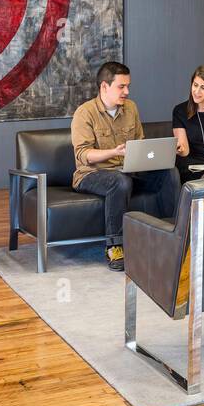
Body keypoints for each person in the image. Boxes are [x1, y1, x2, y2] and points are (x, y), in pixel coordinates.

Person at [71, 61, 178, 271]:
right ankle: (115, 246)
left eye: (128, 86)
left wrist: (155, 155)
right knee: (119, 181)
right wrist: (113, 152)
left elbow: (139, 142)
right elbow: (84, 155)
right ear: (104, 87)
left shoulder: (131, 109)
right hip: (92, 174)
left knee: (169, 172)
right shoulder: (85, 113)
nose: (127, 91)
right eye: (121, 86)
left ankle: (172, 235)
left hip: (128, 170)